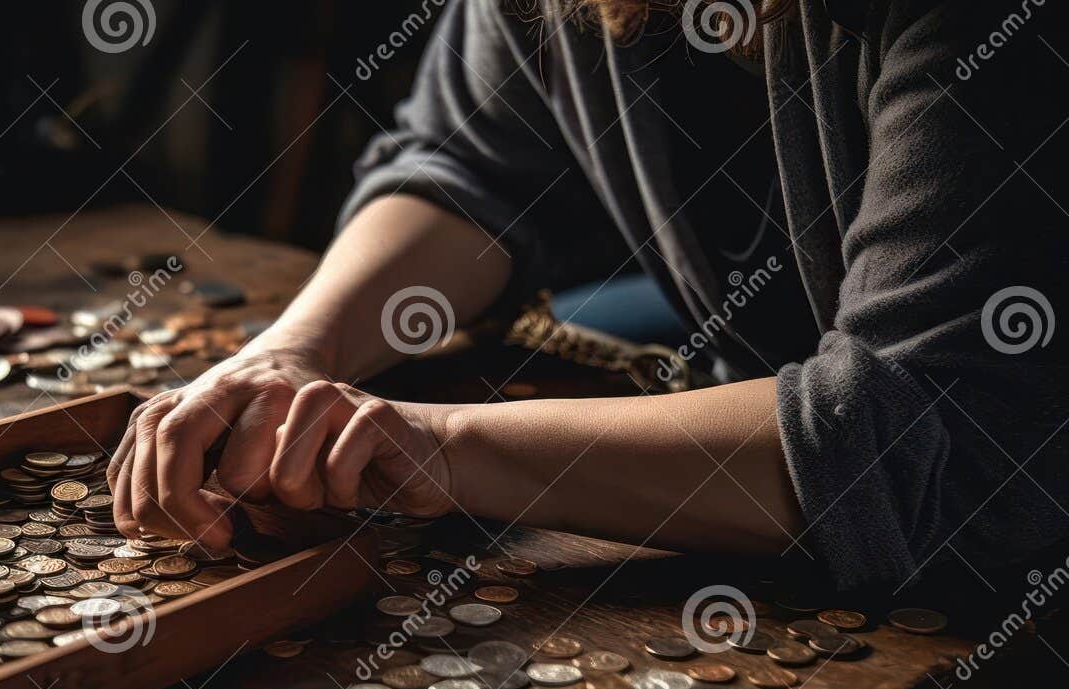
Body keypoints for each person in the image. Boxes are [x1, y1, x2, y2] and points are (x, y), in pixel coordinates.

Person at [109, 0, 1069, 588]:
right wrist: (291, 350)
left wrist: (435, 446)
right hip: (750, 351)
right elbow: (468, 170)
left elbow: (926, 435)